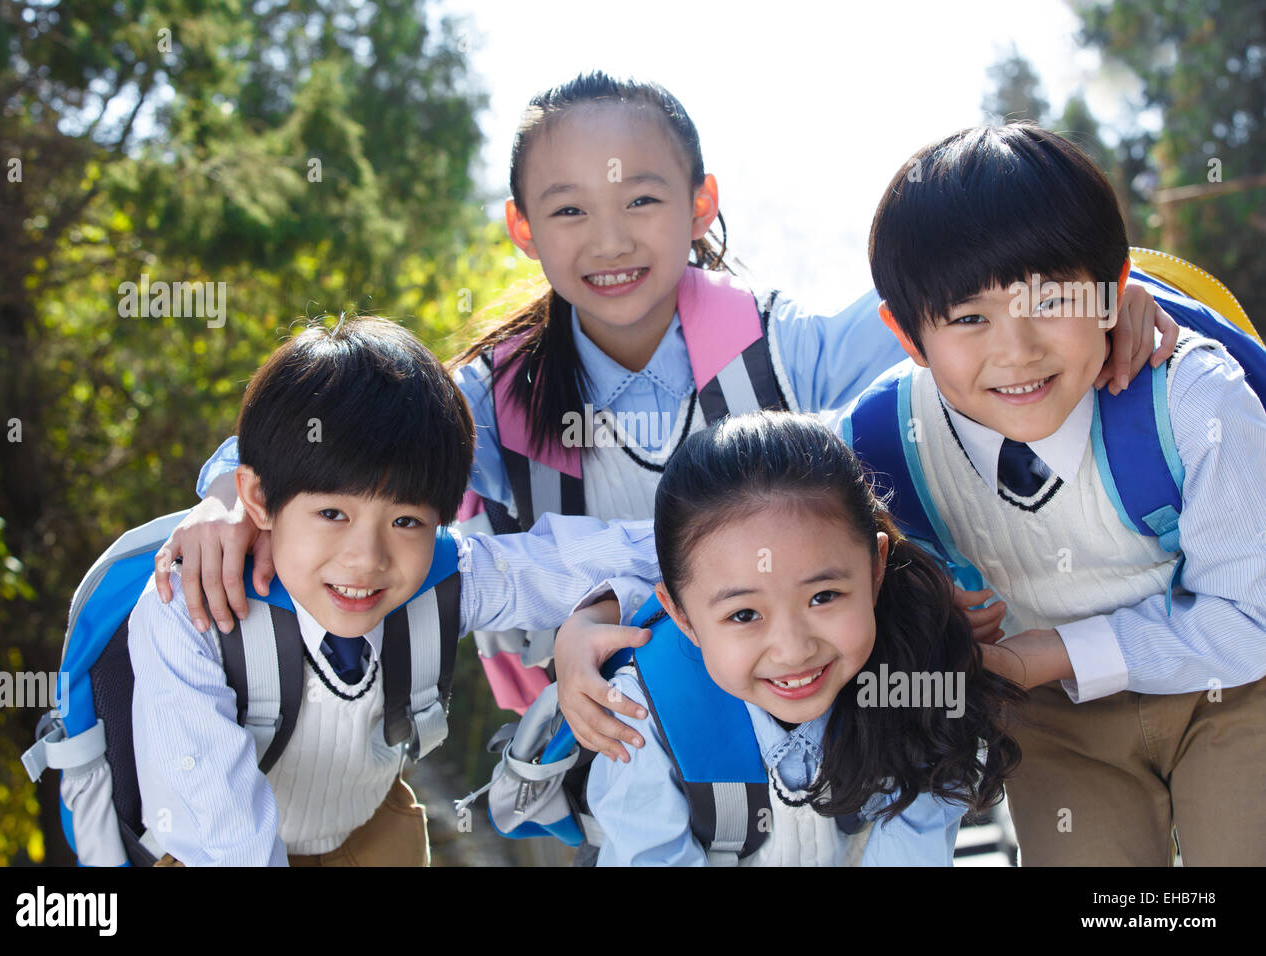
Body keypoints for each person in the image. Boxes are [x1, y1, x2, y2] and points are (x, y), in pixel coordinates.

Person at [156, 72, 1177, 760]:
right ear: (520, 228)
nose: (610, 238)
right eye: (566, 209)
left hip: (802, 716)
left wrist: (1123, 300)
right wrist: (218, 498)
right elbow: (329, 431)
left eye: (643, 200)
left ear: (700, 204)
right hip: (602, 733)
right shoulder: (489, 392)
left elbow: (974, 304)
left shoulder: (787, 350)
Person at [851, 123, 1266, 865]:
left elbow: (1255, 616)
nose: (1017, 350)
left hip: (1233, 683)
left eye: (1050, 302)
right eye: (969, 317)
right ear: (906, 332)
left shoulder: (1190, 401)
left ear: (1115, 290)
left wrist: (1064, 651)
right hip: (1053, 720)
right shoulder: (880, 442)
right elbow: (740, 522)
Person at [129, 317, 659, 865]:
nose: (367, 558)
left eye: (406, 521)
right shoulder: (189, 611)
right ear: (258, 499)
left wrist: (591, 618)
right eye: (332, 513)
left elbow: (644, 552)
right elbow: (226, 834)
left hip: (373, 832)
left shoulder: (451, 576)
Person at [568, 411, 1022, 865]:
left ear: (876, 568)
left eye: (824, 597)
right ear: (681, 617)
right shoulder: (641, 714)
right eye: (744, 614)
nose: (793, 649)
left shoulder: (918, 673)